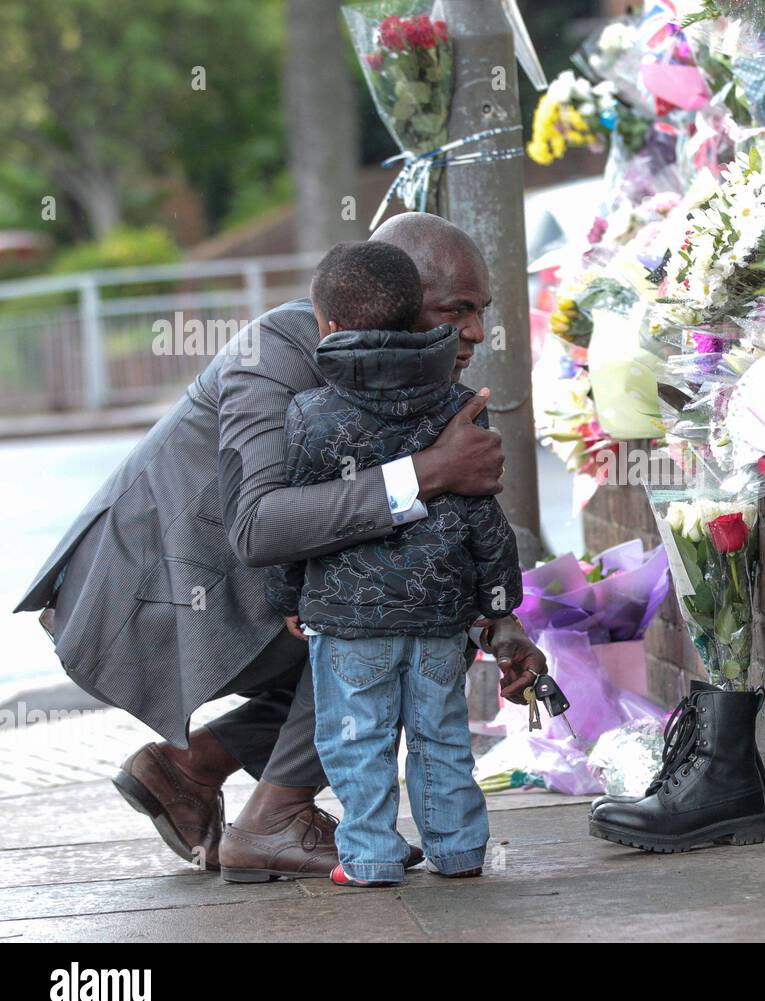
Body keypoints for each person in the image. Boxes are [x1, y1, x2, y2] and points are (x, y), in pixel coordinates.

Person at [14, 214, 546, 881]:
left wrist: (498, 621)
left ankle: (191, 767)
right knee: (395, 608)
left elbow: (451, 528)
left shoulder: (427, 377)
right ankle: (275, 818)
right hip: (156, 596)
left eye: (480, 312)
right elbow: (259, 524)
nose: (474, 331)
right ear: (394, 299)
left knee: (417, 602)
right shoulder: (275, 352)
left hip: (261, 587)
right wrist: (430, 471)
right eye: (456, 310)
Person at [257, 240, 522, 886]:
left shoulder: (312, 415)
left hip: (349, 624)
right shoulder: (456, 407)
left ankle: (371, 857)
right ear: (415, 319)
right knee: (441, 738)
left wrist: (287, 596)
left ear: (329, 327)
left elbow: (298, 522)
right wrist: (499, 609)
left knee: (357, 743)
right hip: (437, 621)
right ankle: (458, 850)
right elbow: (487, 520)